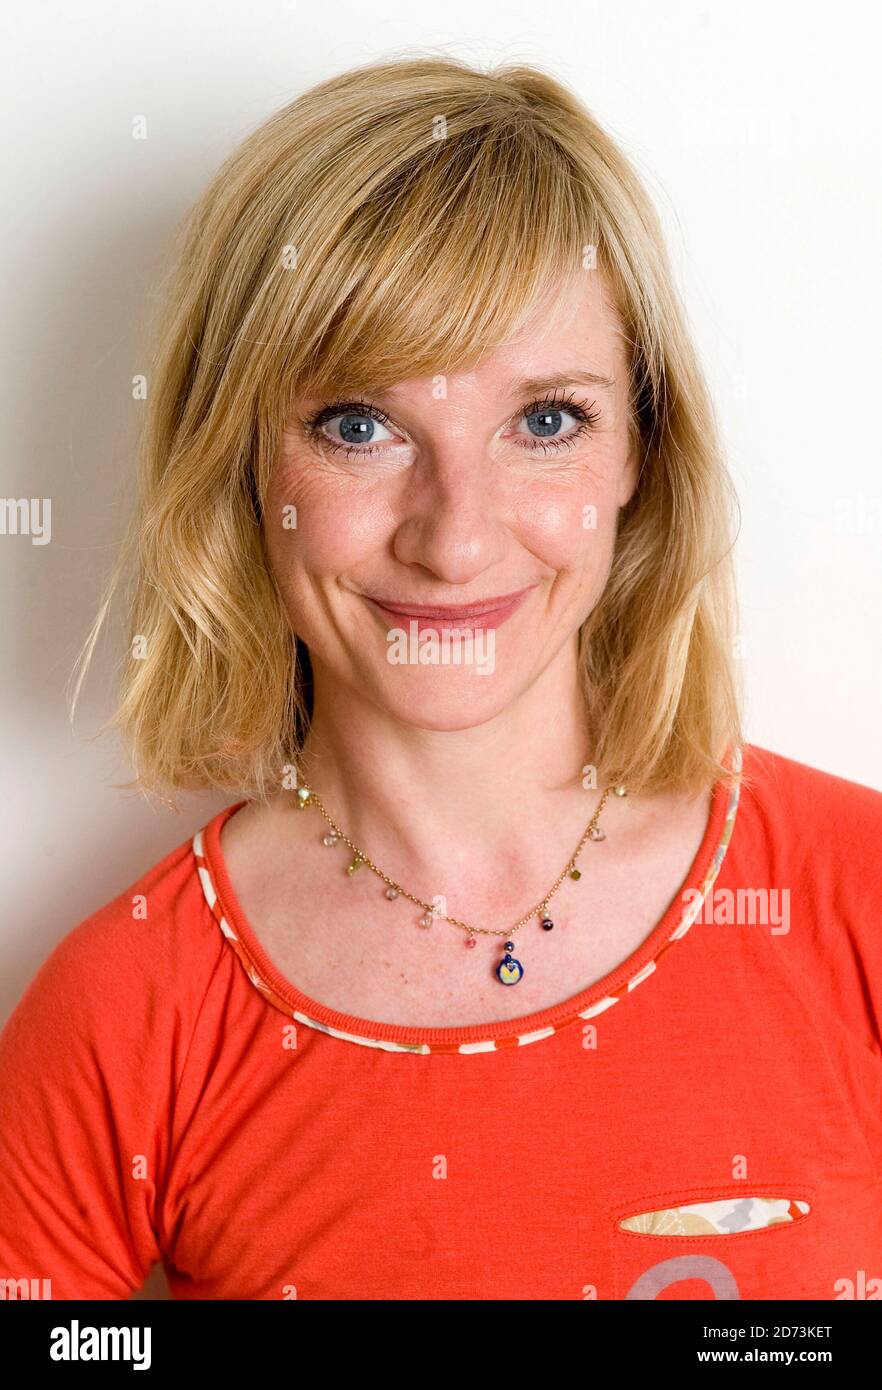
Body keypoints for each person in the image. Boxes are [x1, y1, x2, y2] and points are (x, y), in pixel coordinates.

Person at [1, 55, 880, 1303]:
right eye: (360, 424)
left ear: (643, 454)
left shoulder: (858, 900)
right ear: (247, 470)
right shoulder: (126, 1014)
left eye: (547, 420)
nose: (456, 536)